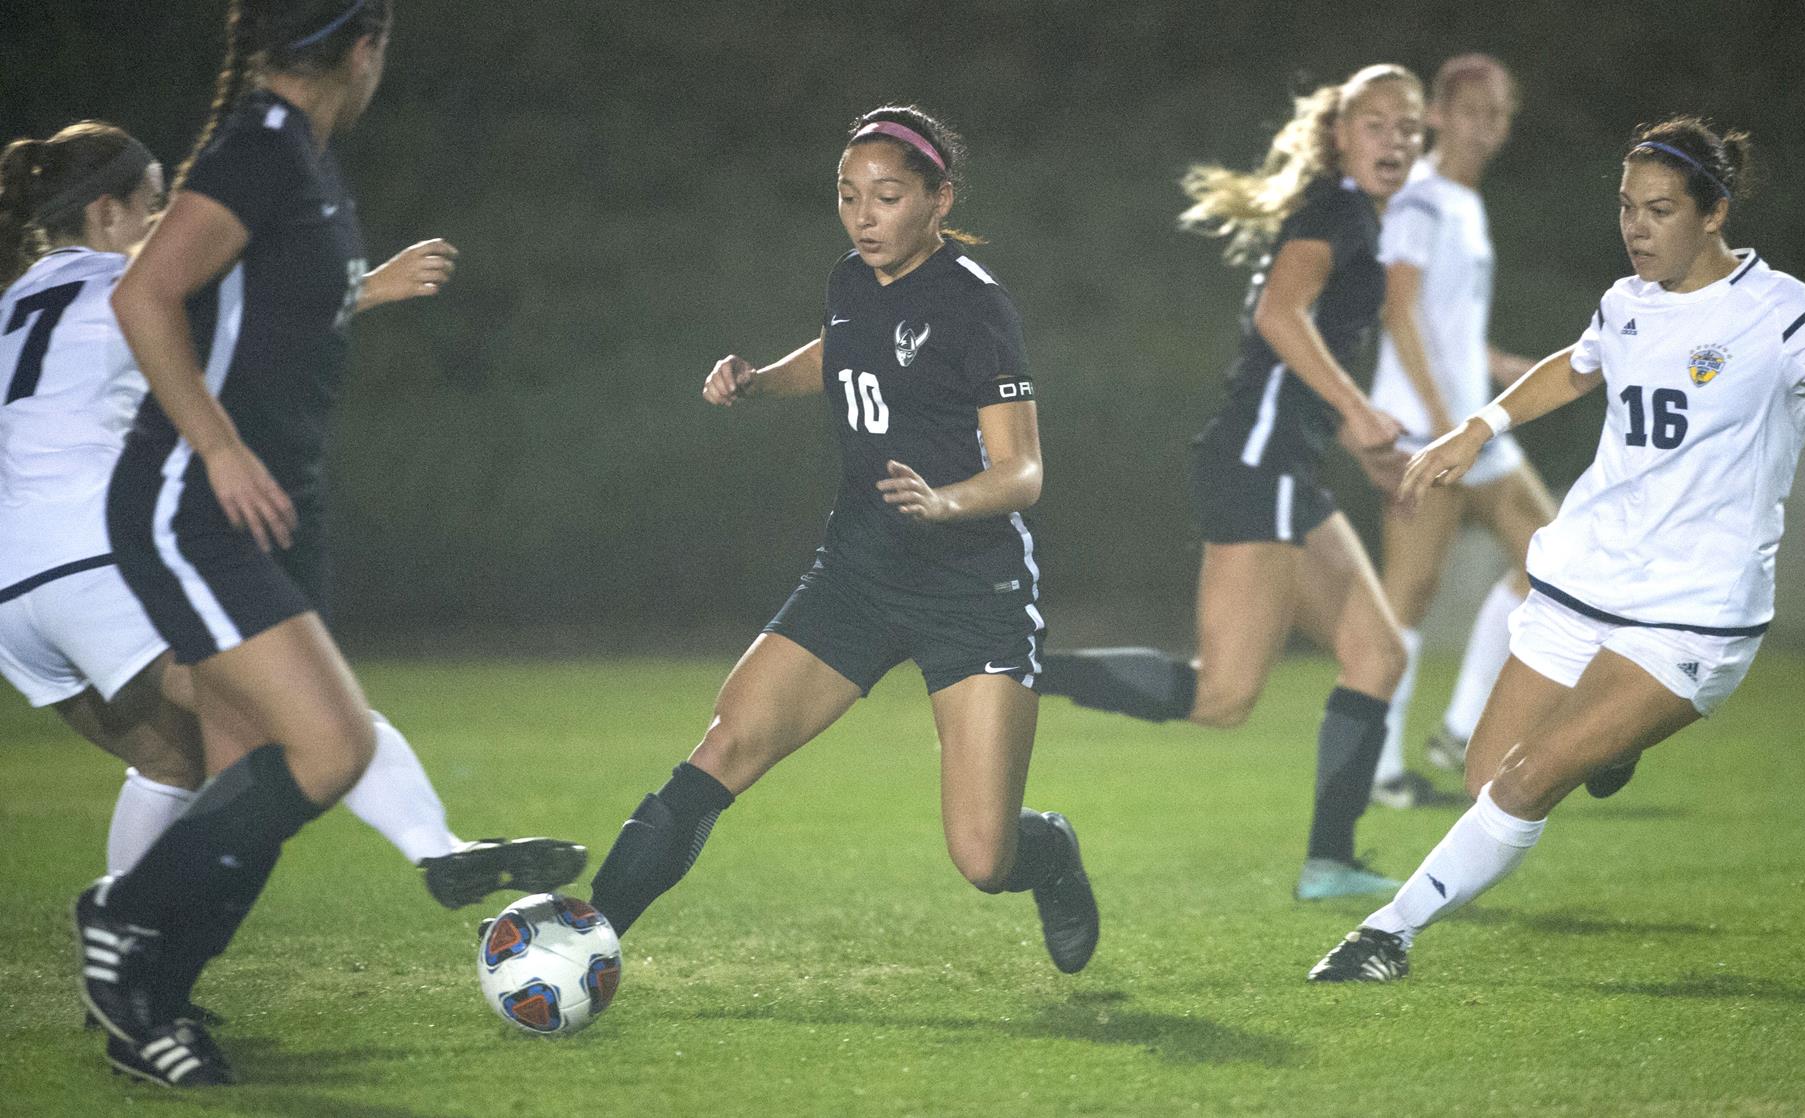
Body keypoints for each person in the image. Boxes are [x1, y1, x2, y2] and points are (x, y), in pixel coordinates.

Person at [1308, 116, 1805, 984]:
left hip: (1694, 610)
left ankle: (1385, 936)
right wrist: (1478, 425)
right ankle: (1610, 744)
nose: (1637, 227)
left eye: (1660, 210)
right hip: (1585, 580)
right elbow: (1577, 366)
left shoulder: (1782, 312)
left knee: (1528, 781)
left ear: (1714, 212)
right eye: (1626, 207)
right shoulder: (1626, 302)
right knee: (1485, 780)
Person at [67, 2, 576, 1087]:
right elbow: (143, 291)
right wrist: (215, 446)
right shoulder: (258, 144)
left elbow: (268, 304)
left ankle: (150, 1003)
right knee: (331, 746)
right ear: (364, 47)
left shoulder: (296, 155)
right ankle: (123, 919)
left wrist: (358, 292)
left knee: (254, 772)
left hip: (274, 510)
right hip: (191, 503)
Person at [0, 122, 580, 915]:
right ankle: (437, 849)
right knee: (309, 709)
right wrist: (373, 284)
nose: (166, 220)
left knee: (170, 764)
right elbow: (262, 315)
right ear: (106, 213)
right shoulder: (129, 285)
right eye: (154, 204)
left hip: (12, 595)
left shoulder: (12, 307)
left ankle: (124, 969)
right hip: (92, 560)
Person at [586, 105, 1099, 977]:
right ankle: (586, 935)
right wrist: (758, 382)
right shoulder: (851, 281)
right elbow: (840, 354)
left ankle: (1046, 851)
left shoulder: (979, 308)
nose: (864, 216)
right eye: (848, 195)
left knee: (983, 858)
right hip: (858, 573)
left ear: (939, 200)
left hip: (973, 592)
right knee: (725, 747)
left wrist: (946, 501)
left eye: (888, 196)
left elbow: (1023, 472)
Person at [1035, 66, 1422, 900]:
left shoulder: (1351, 218)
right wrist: (1357, 414)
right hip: (1257, 465)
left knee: (1377, 653)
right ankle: (1021, 668)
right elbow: (1278, 320)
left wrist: (1361, 445)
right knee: (1224, 696)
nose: (1396, 139)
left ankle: (1329, 864)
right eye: (1377, 123)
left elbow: (1288, 362)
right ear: (1339, 136)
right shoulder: (1337, 211)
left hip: (1279, 464)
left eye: (1409, 127)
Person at [1366, 54, 1557, 809]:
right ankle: (1379, 768)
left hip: (1469, 423)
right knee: (1409, 593)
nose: (1489, 124)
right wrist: (1447, 422)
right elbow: (1398, 309)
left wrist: (1500, 364)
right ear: (1439, 115)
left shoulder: (1466, 205)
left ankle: (1459, 725)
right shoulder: (1419, 198)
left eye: (1501, 112)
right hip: (1426, 426)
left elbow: (1447, 327)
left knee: (1556, 559)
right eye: (1474, 108)